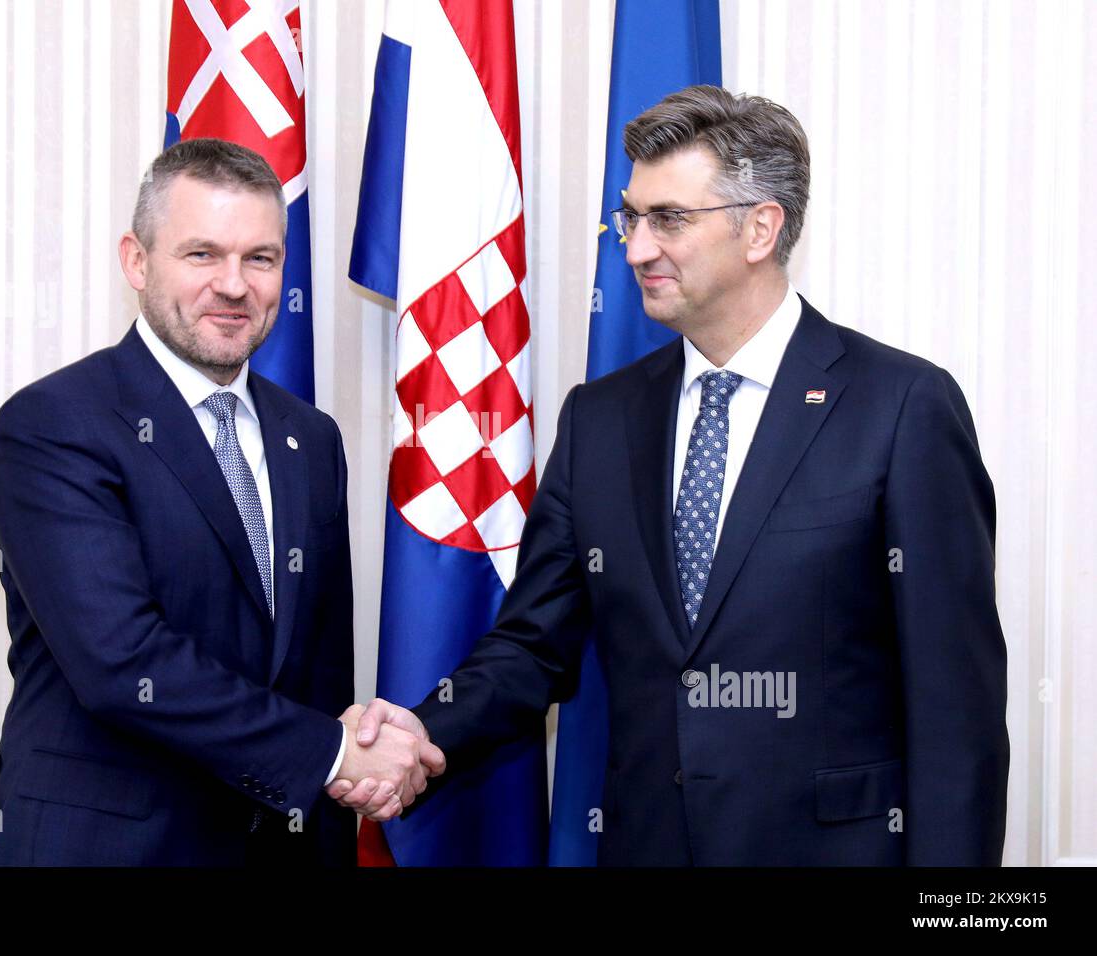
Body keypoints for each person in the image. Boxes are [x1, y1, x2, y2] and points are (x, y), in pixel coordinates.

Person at [331, 86, 1009, 866]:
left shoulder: (901, 408)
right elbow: (533, 643)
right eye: (632, 216)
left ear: (761, 227)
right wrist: (427, 729)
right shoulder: (602, 419)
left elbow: (955, 708)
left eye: (669, 219)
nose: (636, 248)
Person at [0, 138, 442, 866]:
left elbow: (314, 674)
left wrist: (345, 755)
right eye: (201, 255)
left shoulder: (310, 438)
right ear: (137, 260)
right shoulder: (56, 425)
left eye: (260, 258)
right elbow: (121, 663)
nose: (234, 285)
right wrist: (336, 752)